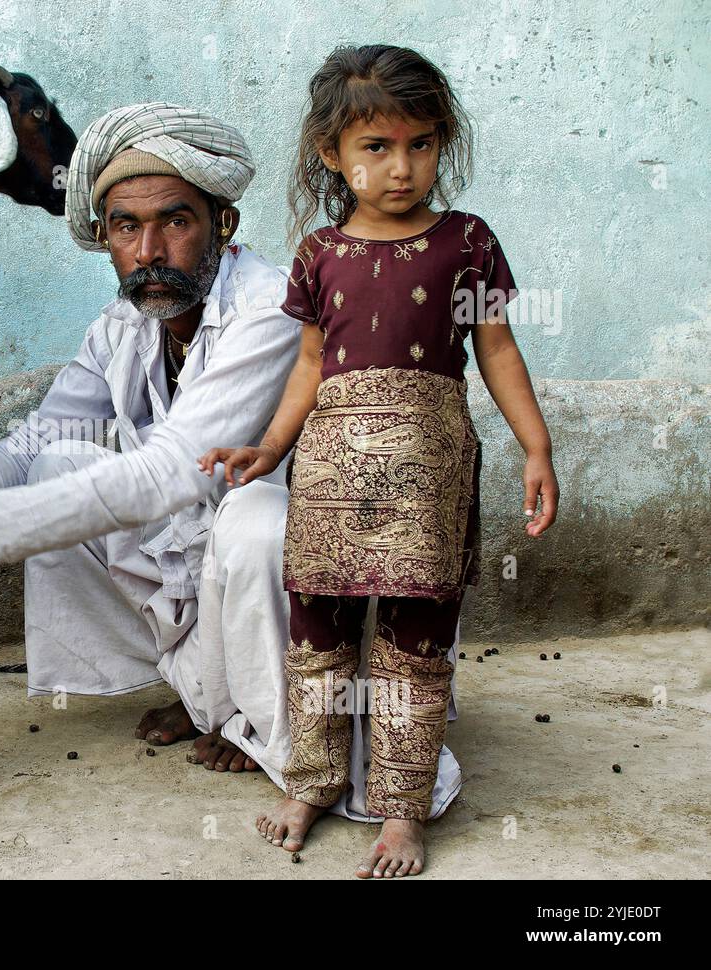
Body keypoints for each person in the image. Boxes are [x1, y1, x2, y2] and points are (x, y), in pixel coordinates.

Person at [0, 102, 310, 774]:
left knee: (252, 521)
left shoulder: (270, 308)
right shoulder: (123, 323)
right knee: (58, 462)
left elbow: (173, 472)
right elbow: (29, 449)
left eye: (175, 221)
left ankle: (266, 720)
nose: (148, 252)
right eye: (125, 227)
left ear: (223, 224)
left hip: (291, 580)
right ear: (103, 236)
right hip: (205, 567)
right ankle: (209, 696)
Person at [198, 44, 559, 878]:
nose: (402, 168)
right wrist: (271, 446)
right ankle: (314, 779)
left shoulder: (467, 243)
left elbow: (497, 352)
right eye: (376, 147)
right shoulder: (320, 252)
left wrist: (535, 445)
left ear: (440, 143)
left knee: (414, 644)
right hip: (328, 481)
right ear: (332, 153)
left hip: (427, 481)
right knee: (316, 637)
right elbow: (308, 366)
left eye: (421, 144)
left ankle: (403, 812)